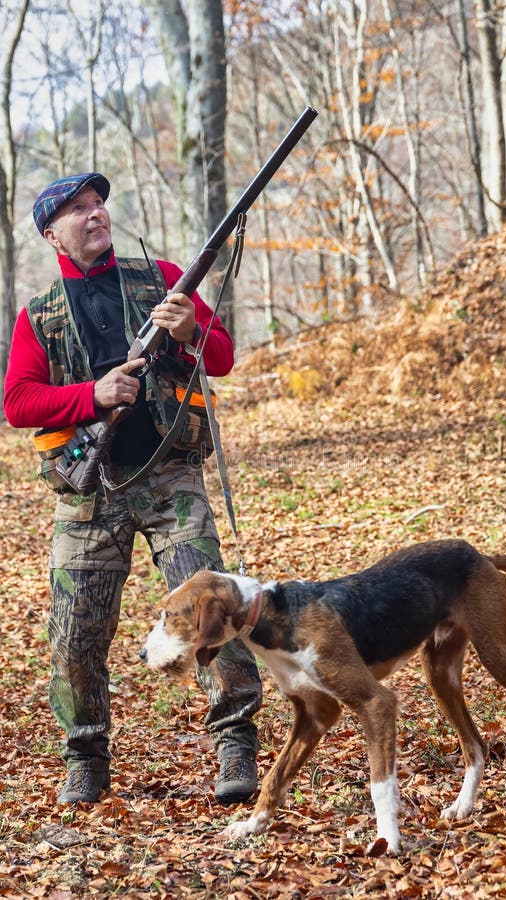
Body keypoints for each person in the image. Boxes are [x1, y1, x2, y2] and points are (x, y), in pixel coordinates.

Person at [3, 172, 262, 806]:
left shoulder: (164, 280)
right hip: (89, 491)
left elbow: (221, 356)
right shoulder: (38, 315)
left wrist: (187, 333)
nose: (95, 216)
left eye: (99, 205)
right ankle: (86, 754)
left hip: (171, 476)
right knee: (74, 632)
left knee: (213, 608)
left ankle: (235, 741)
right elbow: (17, 402)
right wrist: (92, 395)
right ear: (51, 233)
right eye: (77, 210)